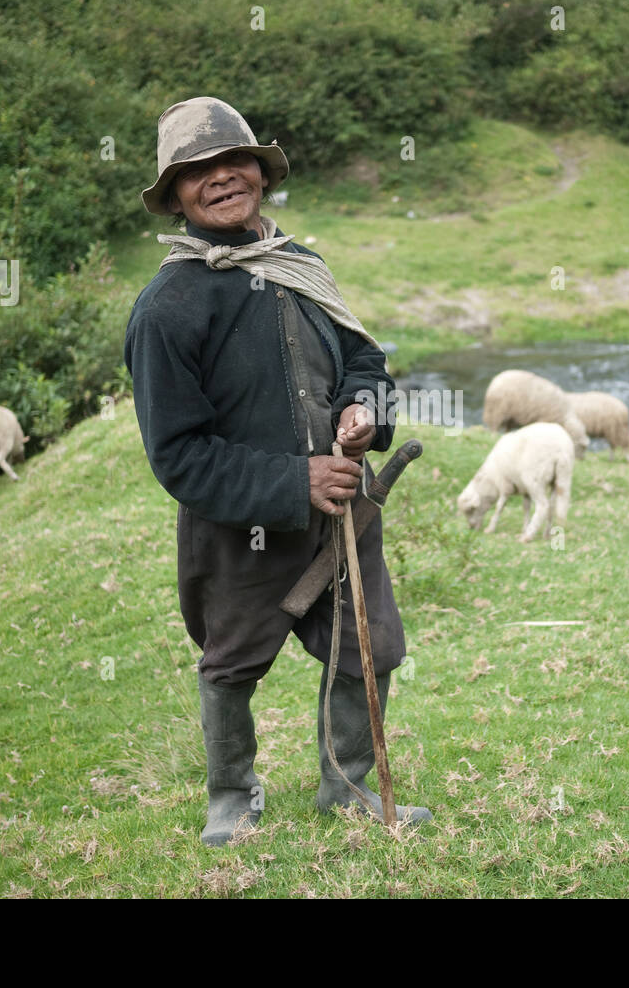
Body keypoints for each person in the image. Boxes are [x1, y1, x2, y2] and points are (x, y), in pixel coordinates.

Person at [123, 97, 430, 846]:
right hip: (239, 530)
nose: (221, 177)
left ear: (260, 171)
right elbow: (179, 454)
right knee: (230, 665)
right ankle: (231, 794)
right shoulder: (168, 307)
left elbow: (363, 359)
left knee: (368, 647)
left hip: (342, 519)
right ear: (175, 194)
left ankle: (349, 783)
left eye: (235, 161)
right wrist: (297, 482)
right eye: (197, 171)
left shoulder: (302, 266)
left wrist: (363, 409)